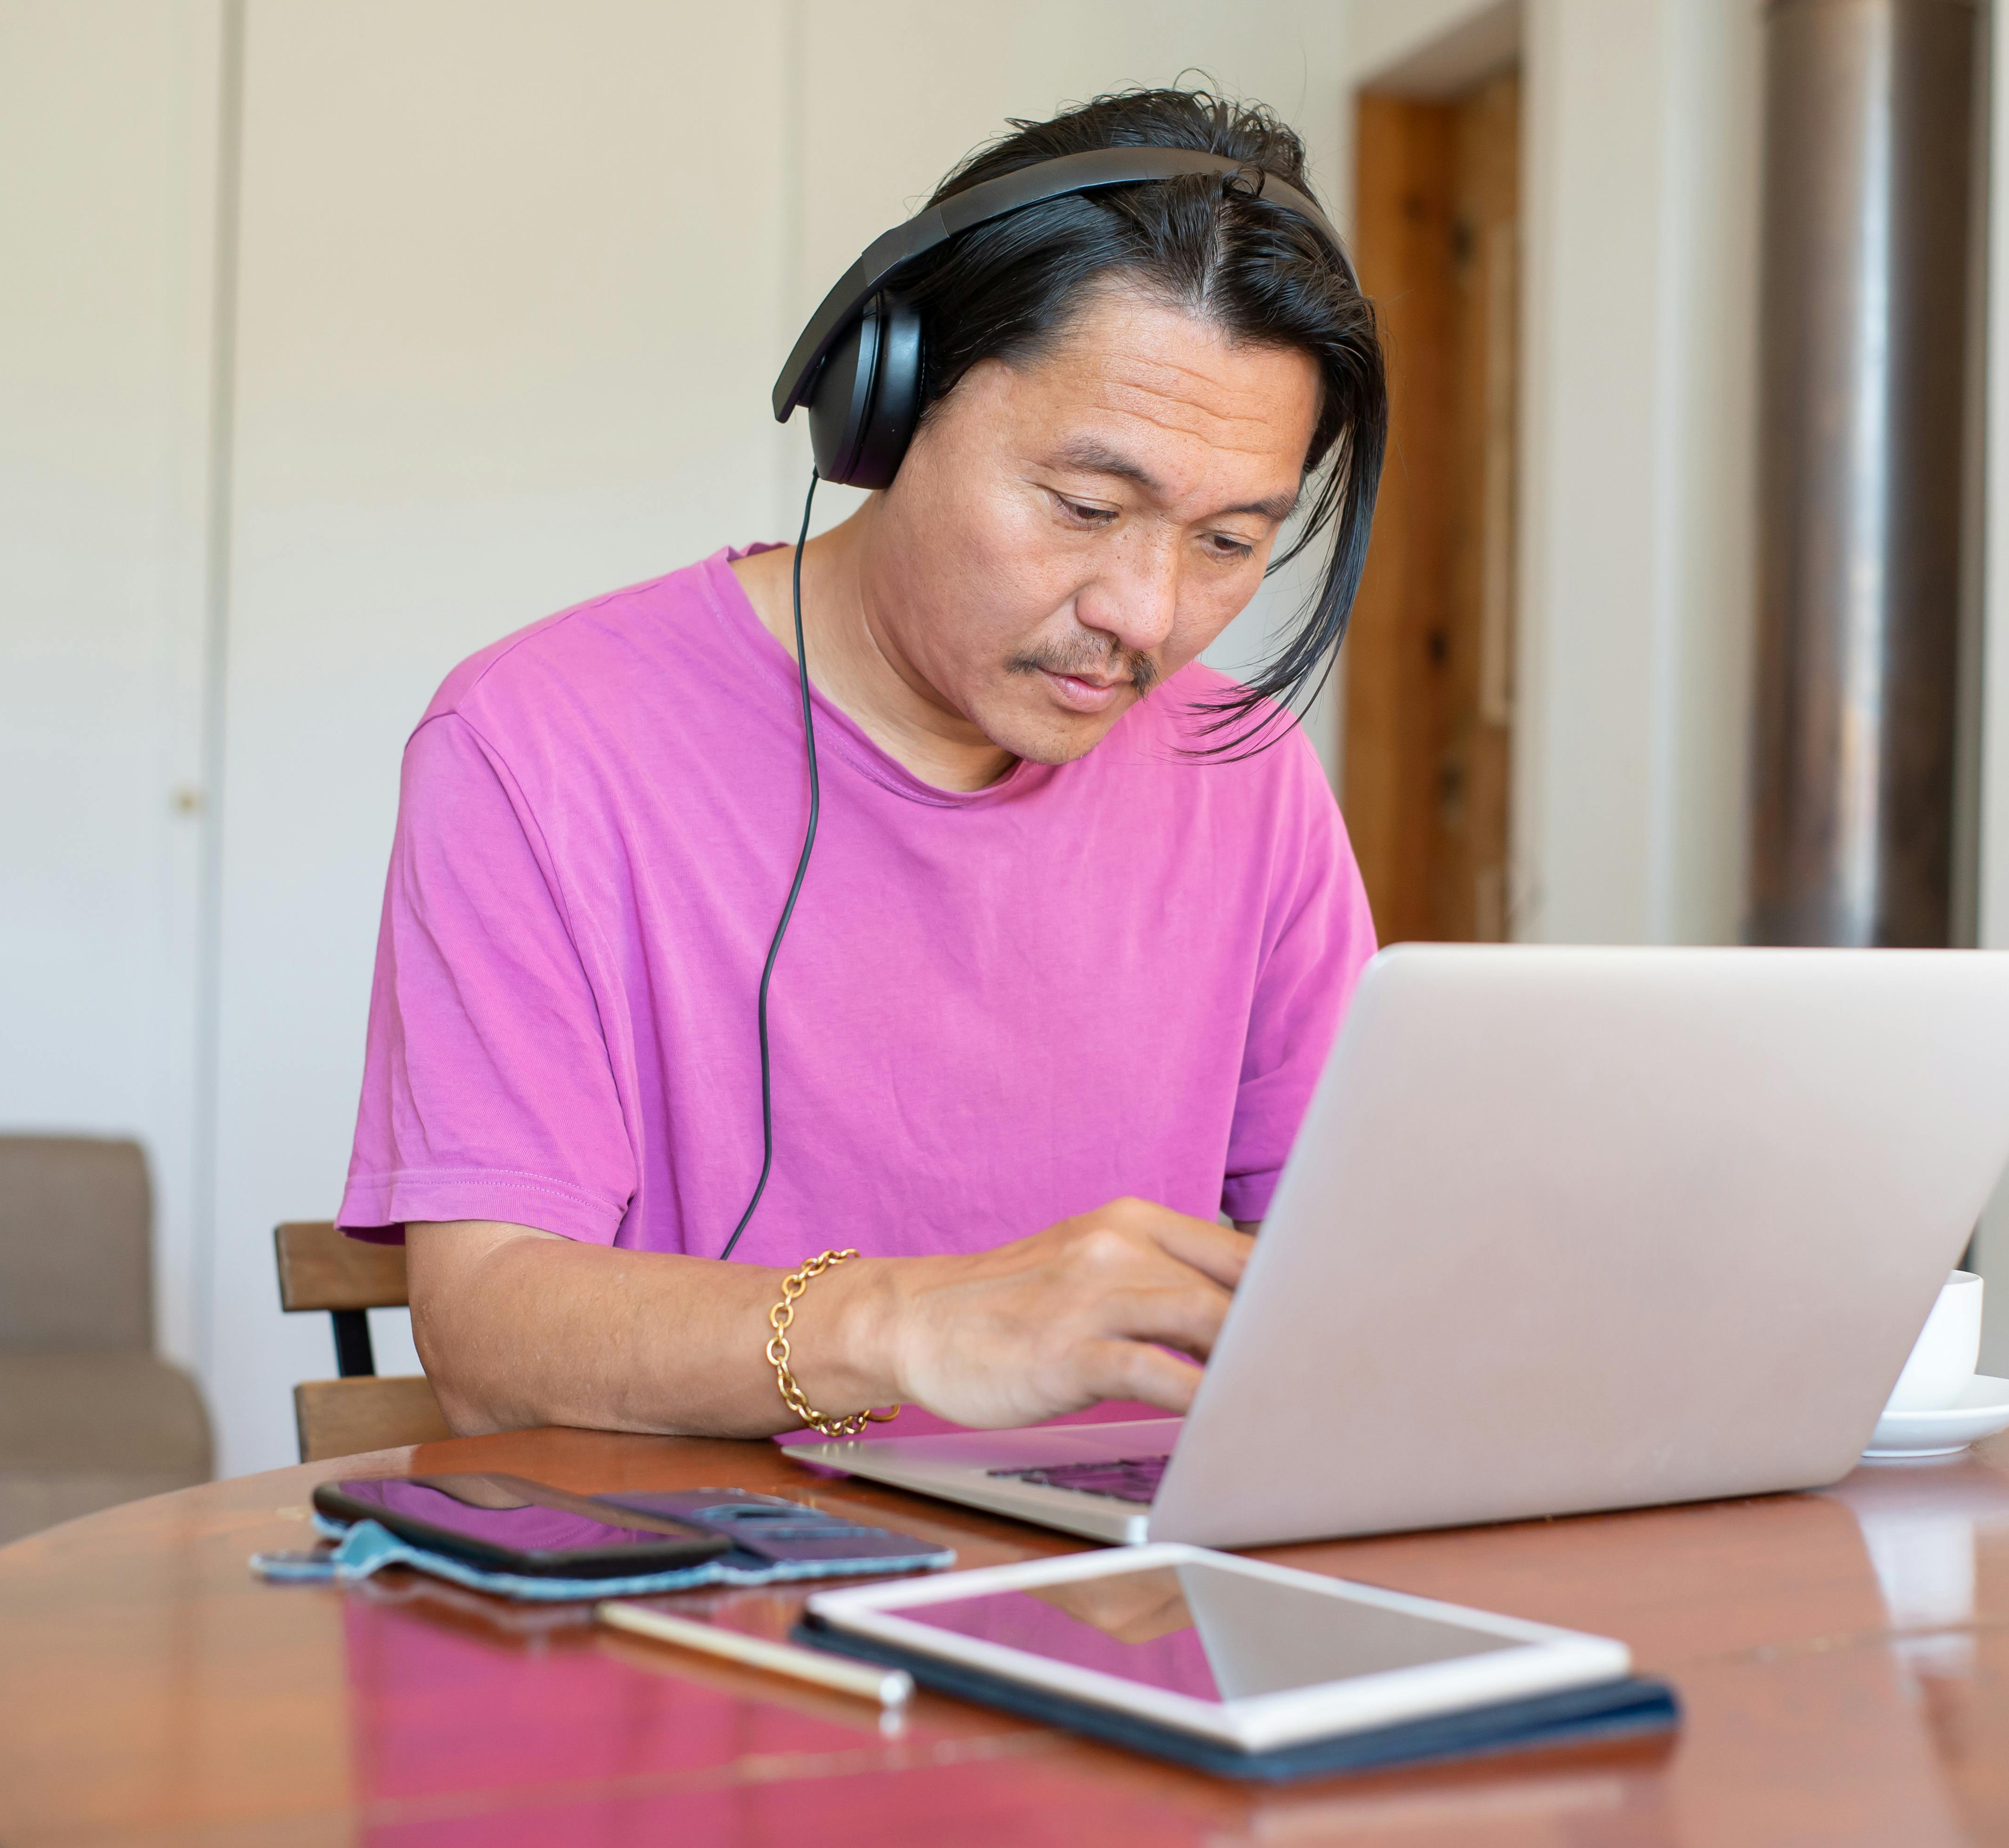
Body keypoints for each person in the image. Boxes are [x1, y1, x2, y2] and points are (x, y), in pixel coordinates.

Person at [337, 88, 1386, 1439]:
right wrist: (908, 1326)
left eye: (1230, 542)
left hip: (1126, 1600)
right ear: (885, 410)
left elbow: (1357, 1272)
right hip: (714, 1604)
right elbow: (489, 1332)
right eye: (1086, 507)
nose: (1145, 611)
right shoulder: (534, 743)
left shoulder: (1247, 771)